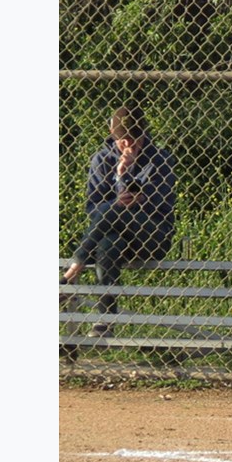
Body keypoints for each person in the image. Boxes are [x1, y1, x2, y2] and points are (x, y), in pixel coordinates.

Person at [60, 107, 178, 338]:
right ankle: (106, 320)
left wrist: (134, 190)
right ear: (112, 135)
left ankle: (73, 271)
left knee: (121, 212)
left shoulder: (161, 159)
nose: (128, 145)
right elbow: (93, 209)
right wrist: (118, 194)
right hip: (112, 234)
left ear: (144, 133)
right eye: (122, 140)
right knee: (108, 243)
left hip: (151, 234)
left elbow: (164, 205)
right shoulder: (102, 160)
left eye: (134, 139)